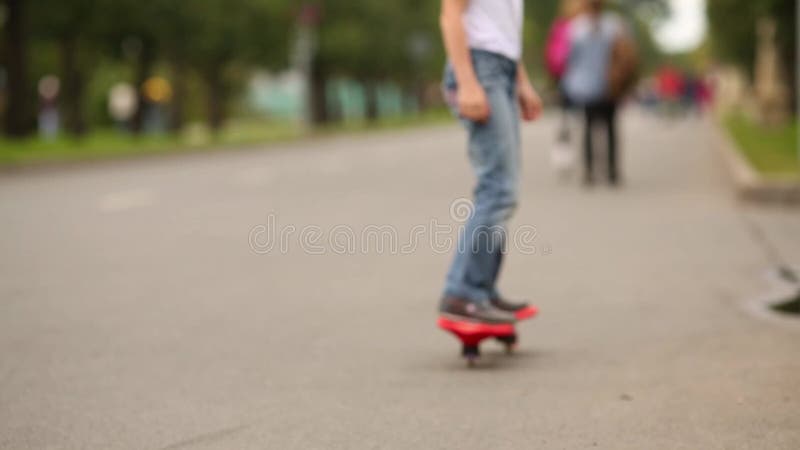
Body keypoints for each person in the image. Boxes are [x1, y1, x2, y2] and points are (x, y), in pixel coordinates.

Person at [438, 0, 543, 324]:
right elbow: (451, 14)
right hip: (479, 66)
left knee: (502, 192)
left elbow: (503, 29)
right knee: (498, 190)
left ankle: (481, 290)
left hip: (501, 66)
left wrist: (521, 81)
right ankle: (464, 292)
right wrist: (468, 82)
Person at [562, 0, 636, 185]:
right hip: (608, 83)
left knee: (591, 127)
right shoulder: (614, 24)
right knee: (609, 127)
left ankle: (591, 171)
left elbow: (570, 58)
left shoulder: (577, 27)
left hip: (592, 84)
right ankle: (610, 170)